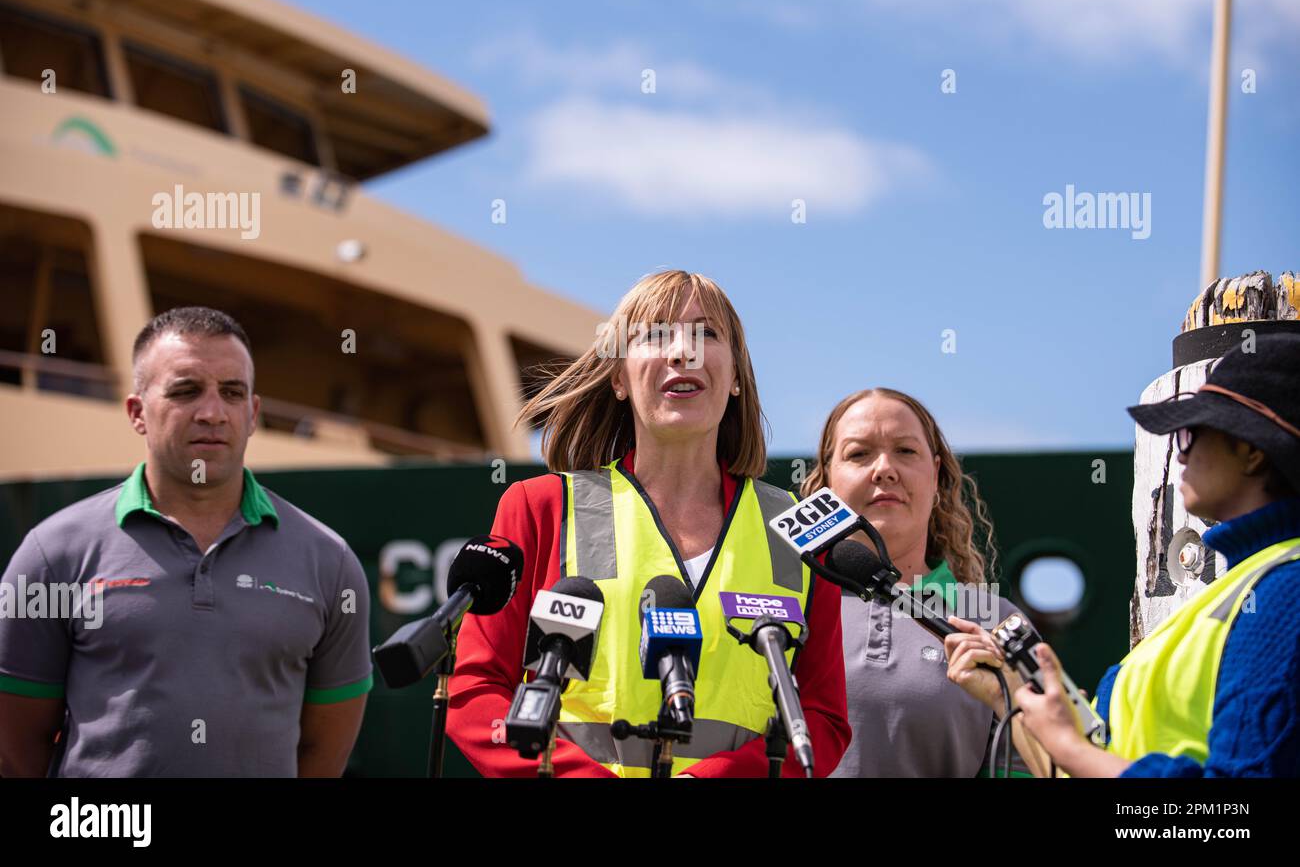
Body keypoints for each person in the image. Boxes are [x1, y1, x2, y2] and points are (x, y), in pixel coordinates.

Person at [447, 270, 850, 777]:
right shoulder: (539, 507)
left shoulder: (796, 529)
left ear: (737, 378)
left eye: (706, 333)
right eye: (655, 335)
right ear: (618, 378)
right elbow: (475, 691)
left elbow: (824, 718)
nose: (683, 352)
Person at [0, 307, 373, 776]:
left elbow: (324, 752)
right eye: (186, 391)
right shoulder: (52, 554)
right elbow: (17, 752)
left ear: (253, 413)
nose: (213, 413)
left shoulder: (329, 562)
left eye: (232, 393)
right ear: (137, 412)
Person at [948, 333, 1300, 777]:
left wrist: (1070, 748)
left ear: (1251, 453)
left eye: (1191, 433)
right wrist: (1009, 690)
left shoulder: (1285, 592)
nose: (1177, 450)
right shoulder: (1250, 585)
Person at [803, 387, 1035, 777]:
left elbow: (1042, 764)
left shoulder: (998, 620)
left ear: (936, 474)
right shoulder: (787, 603)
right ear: (826, 480)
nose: (884, 469)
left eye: (906, 451)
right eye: (858, 453)